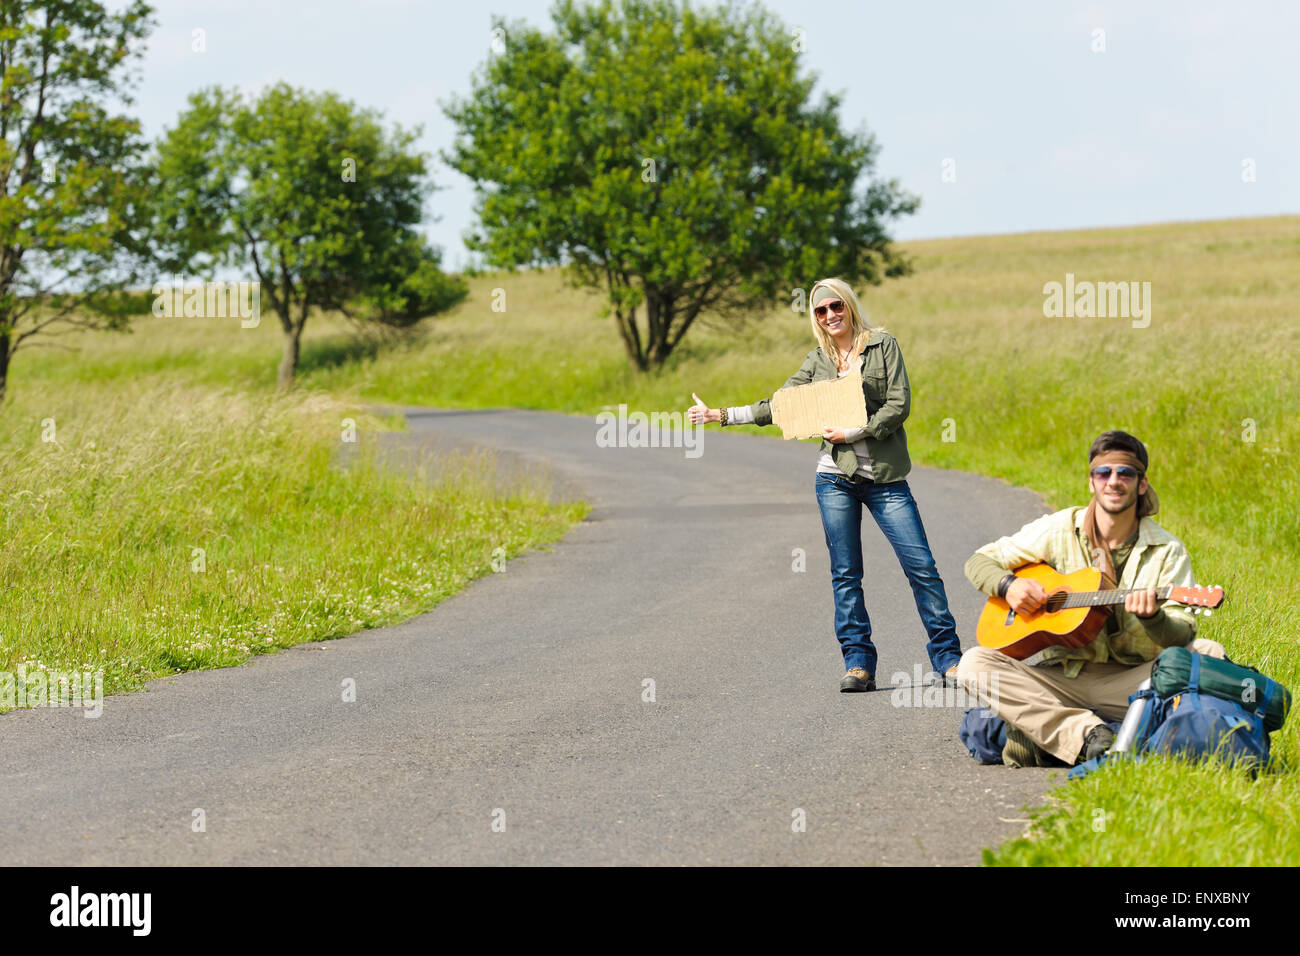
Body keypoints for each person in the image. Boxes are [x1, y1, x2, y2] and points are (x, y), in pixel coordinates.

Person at [687, 278, 964, 693]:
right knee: (846, 574)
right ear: (815, 318)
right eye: (821, 310)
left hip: (885, 479)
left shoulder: (883, 346)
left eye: (836, 306)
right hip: (834, 479)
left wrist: (856, 431)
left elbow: (898, 404)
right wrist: (722, 415)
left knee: (922, 567)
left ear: (849, 306)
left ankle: (949, 659)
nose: (830, 315)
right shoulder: (817, 360)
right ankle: (858, 664)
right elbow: (780, 405)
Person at [955, 430, 1226, 767]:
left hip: (1134, 681)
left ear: (1141, 484)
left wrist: (1154, 618)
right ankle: (1088, 735)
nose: (1114, 481)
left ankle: (1046, 734)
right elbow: (979, 561)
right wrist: (1009, 585)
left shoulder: (1168, 551)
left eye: (1125, 473)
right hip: (1062, 679)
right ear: (1091, 482)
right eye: (1104, 472)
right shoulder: (1059, 529)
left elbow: (1183, 633)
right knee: (974, 664)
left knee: (1208, 653)